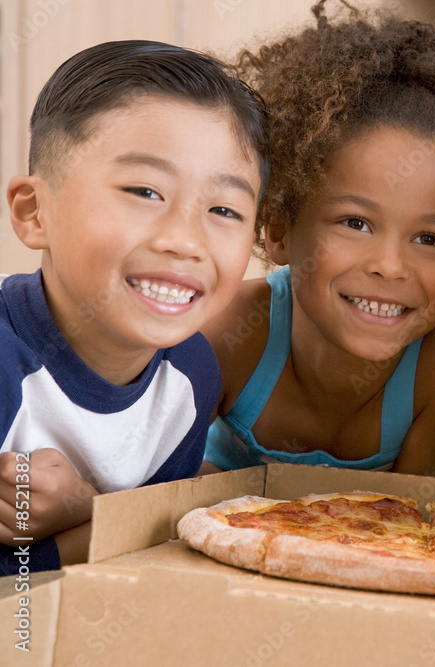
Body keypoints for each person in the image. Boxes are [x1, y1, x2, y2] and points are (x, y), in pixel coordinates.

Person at [200, 1, 435, 477]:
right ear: (278, 229)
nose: (390, 265)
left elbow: (412, 516)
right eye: (355, 223)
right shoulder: (231, 332)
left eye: (429, 238)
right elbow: (160, 492)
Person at [0, 40, 270, 574]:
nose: (185, 241)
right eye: (145, 192)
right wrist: (92, 531)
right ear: (35, 213)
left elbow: (147, 548)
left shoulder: (193, 376)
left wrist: (83, 507)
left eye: (224, 209)